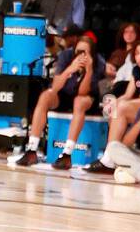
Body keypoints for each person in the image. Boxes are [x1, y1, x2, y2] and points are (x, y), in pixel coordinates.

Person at [16, 34, 105, 169]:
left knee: (79, 102)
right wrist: (70, 69)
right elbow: (55, 87)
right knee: (45, 96)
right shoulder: (65, 56)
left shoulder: (98, 62)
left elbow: (83, 92)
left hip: (86, 98)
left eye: (85, 52)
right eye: (79, 51)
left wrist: (88, 70)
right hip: (64, 94)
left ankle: (67, 154)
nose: (81, 55)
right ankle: (32, 150)